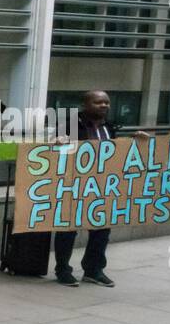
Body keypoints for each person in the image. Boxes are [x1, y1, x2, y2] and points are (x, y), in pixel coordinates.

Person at [53, 89, 133, 288]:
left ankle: (94, 270)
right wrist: (59, 143)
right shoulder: (70, 124)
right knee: (68, 229)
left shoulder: (110, 126)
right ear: (85, 105)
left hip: (102, 187)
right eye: (98, 102)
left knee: (102, 229)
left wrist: (137, 141)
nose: (104, 105)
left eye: (106, 102)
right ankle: (63, 270)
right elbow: (57, 152)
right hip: (75, 185)